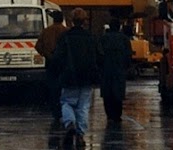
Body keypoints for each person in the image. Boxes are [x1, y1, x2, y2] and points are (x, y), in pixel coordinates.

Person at [51, 8, 101, 149]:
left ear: (72, 20)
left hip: (69, 76)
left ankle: (70, 123)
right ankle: (80, 134)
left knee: (66, 102)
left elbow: (57, 58)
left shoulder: (65, 37)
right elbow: (97, 57)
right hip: (86, 77)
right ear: (85, 20)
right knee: (83, 106)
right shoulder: (90, 38)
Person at [35, 9, 68, 125]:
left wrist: (46, 54)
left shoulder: (46, 31)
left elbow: (38, 46)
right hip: (64, 63)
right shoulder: (66, 31)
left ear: (53, 19)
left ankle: (55, 112)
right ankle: (63, 110)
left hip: (50, 63)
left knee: (52, 87)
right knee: (63, 88)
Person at [99, 19, 131, 124]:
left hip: (106, 70)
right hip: (119, 70)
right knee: (118, 93)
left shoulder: (103, 39)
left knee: (107, 94)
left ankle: (109, 115)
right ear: (119, 27)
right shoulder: (124, 39)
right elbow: (128, 55)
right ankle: (117, 115)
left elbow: (99, 54)